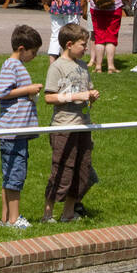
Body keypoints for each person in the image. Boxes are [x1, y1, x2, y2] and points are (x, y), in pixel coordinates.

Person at [43, 22, 99, 223]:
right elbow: (49, 97)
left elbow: (86, 90)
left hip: (84, 124)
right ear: (69, 44)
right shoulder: (57, 67)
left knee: (82, 169)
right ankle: (47, 214)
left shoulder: (83, 66)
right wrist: (75, 96)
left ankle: (68, 213)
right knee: (62, 170)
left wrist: (90, 95)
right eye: (83, 45)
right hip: (63, 126)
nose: (86, 49)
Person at [0, 24, 43, 229]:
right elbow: (1, 93)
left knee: (11, 173)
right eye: (34, 52)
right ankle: (14, 219)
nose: (35, 56)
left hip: (18, 132)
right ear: (22, 49)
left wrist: (29, 93)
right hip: (12, 132)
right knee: (15, 174)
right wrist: (28, 90)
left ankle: (5, 218)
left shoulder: (17, 67)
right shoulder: (11, 66)